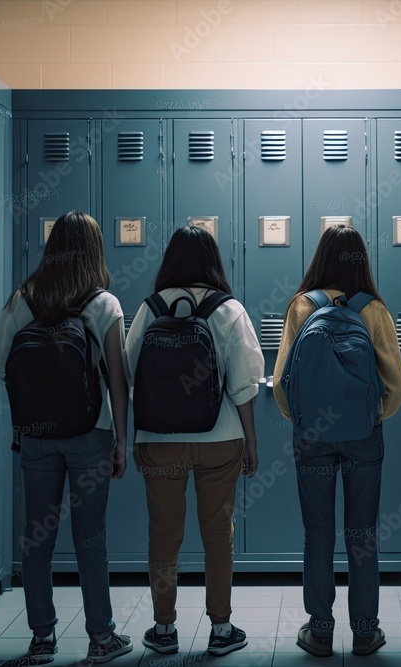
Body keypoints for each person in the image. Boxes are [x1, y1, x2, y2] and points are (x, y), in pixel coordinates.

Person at [0, 210, 132, 665]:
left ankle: (42, 639)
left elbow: (0, 363)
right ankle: (101, 637)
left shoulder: (22, 299)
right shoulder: (104, 304)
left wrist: (40, 395)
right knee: (90, 537)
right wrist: (122, 442)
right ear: (94, 250)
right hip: (90, 433)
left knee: (37, 537)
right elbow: (118, 381)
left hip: (35, 437)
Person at [124, 224, 263, 658]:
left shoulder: (150, 308)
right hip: (219, 439)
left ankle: (164, 628)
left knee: (164, 533)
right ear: (213, 261)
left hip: (159, 439)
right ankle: (221, 629)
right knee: (218, 533)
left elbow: (128, 372)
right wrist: (251, 441)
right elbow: (245, 384)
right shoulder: (229, 309)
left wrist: (133, 435)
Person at [272, 225, 401, 658]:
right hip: (363, 436)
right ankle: (366, 631)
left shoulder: (302, 305)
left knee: (318, 533)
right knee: (362, 533)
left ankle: (320, 631)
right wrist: (372, 415)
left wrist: (304, 421)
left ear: (321, 258)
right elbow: (398, 385)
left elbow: (280, 383)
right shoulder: (373, 309)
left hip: (311, 436)